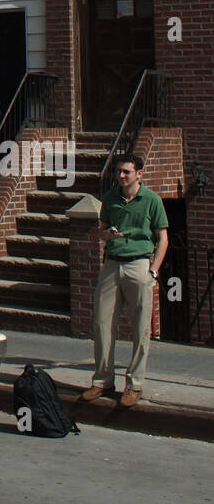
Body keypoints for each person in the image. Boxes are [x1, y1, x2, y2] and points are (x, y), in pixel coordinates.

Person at [82, 153, 169, 408]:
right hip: (111, 264)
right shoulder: (110, 198)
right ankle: (102, 381)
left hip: (139, 264)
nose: (121, 176)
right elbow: (101, 231)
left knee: (140, 327)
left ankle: (134, 385)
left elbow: (163, 237)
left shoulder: (152, 200)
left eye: (126, 172)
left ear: (139, 174)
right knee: (101, 323)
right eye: (118, 171)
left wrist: (153, 270)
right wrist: (106, 234)